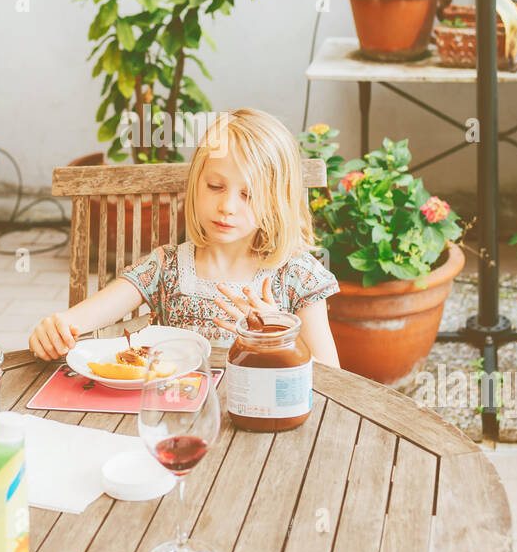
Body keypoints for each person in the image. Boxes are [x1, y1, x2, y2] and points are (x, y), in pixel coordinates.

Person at [29, 108, 340, 367]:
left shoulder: (296, 275)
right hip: (178, 417)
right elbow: (82, 318)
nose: (226, 207)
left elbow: (330, 377)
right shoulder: (167, 266)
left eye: (248, 194)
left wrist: (279, 332)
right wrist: (56, 328)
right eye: (215, 186)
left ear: (277, 200)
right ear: (196, 184)